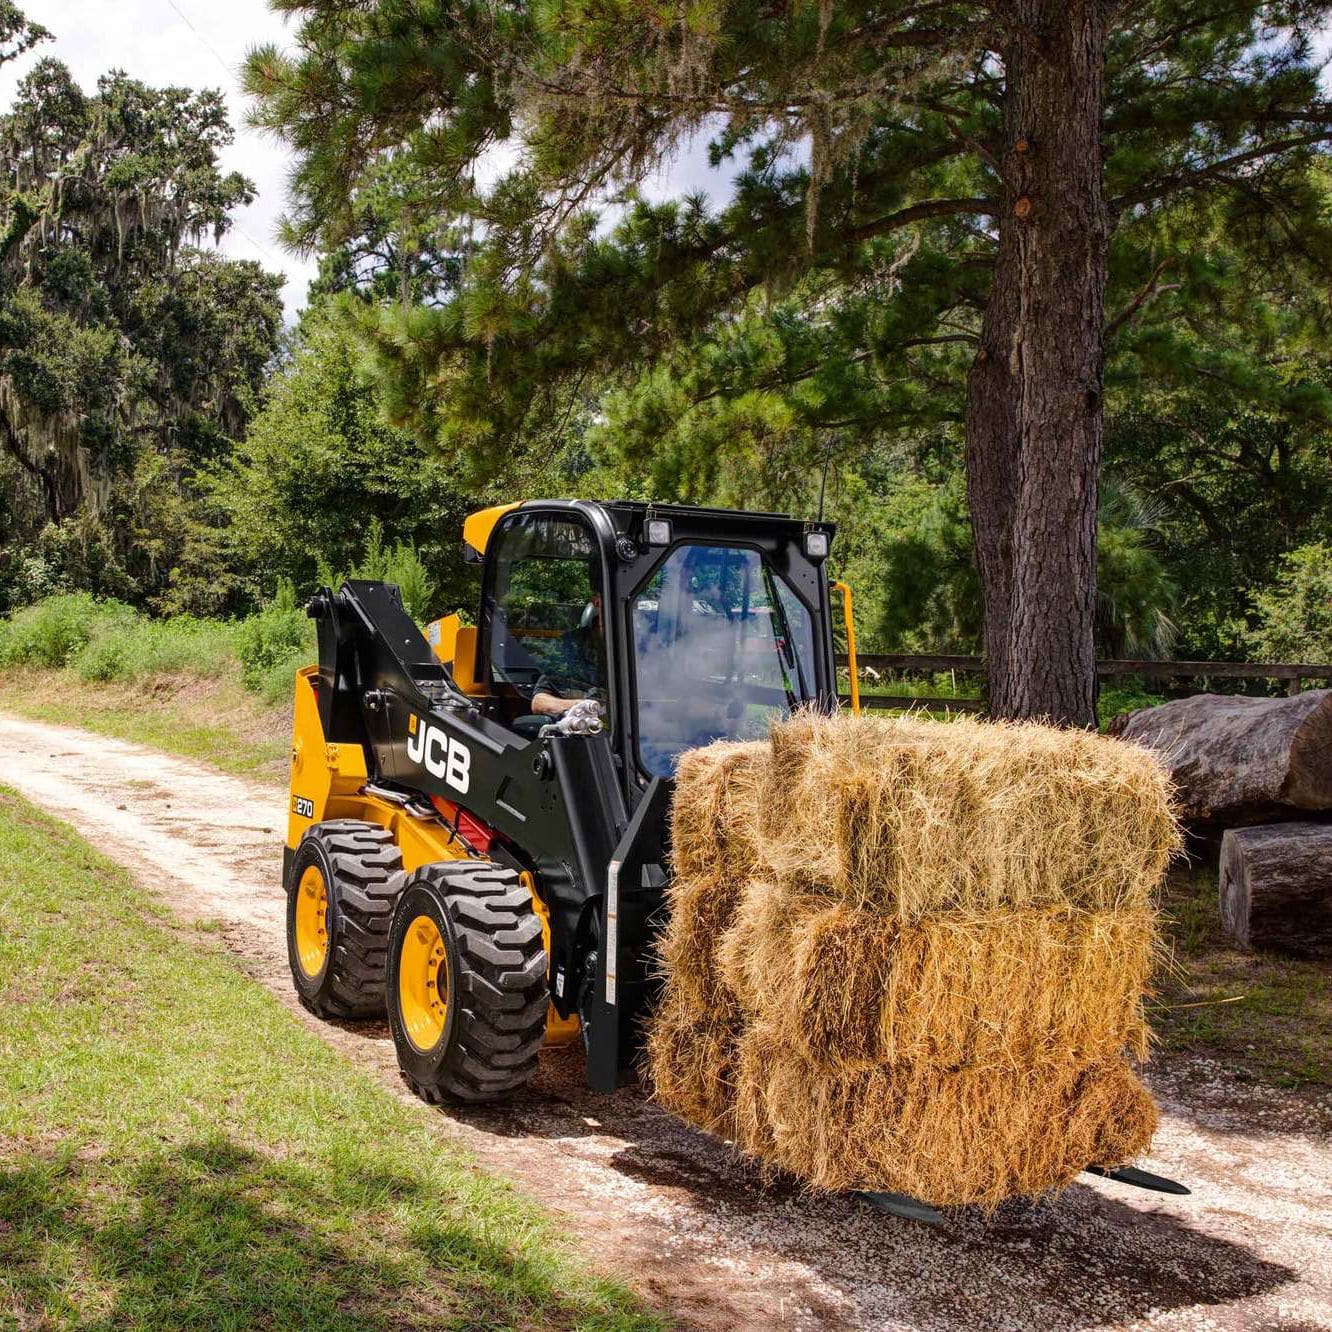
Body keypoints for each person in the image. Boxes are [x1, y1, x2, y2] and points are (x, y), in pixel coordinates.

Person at [531, 589, 606, 717]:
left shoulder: (645, 650)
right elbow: (539, 702)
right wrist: (586, 707)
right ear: (597, 601)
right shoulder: (570, 646)